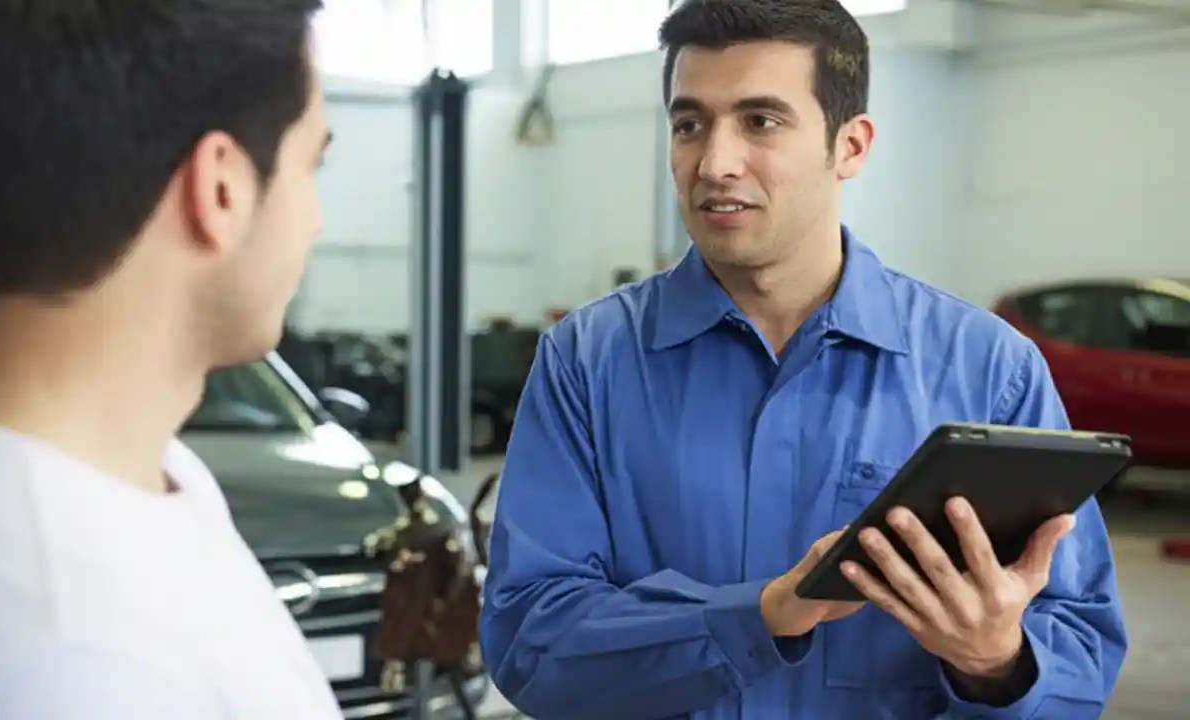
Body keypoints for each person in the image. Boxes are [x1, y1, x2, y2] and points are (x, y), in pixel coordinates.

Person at [479, 1, 1127, 718]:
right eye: (689, 124)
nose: (715, 163)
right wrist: (757, 615)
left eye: (761, 121)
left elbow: (1078, 654)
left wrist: (996, 662)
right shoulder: (588, 361)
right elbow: (529, 639)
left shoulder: (986, 370)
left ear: (850, 146)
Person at [0, 1, 341, 718]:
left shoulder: (104, 464)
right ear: (222, 189)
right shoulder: (71, 664)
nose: (316, 217)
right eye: (310, 164)